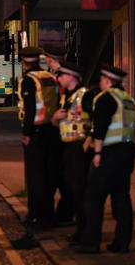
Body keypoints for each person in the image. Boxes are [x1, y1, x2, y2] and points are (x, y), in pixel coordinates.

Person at [76, 64, 135, 254]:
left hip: (109, 153)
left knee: (94, 199)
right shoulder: (127, 99)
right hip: (126, 151)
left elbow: (101, 127)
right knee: (122, 199)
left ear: (108, 81)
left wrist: (97, 154)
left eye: (102, 80)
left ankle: (90, 243)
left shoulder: (106, 98)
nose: (100, 84)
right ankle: (122, 243)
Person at [17, 46, 59, 231]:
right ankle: (48, 216)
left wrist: (26, 133)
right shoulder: (49, 77)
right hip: (52, 130)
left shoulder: (28, 80)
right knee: (48, 176)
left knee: (35, 178)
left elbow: (30, 109)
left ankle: (36, 216)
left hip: (36, 132)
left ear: (24, 62)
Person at [51, 61, 94, 244]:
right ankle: (80, 232)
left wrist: (89, 141)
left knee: (80, 191)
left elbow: (97, 120)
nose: (58, 79)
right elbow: (58, 122)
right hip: (68, 147)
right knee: (72, 190)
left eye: (60, 76)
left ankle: (85, 233)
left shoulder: (85, 95)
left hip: (79, 147)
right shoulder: (67, 97)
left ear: (70, 76)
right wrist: (55, 118)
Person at [42, 45, 72, 226]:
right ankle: (63, 213)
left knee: (55, 176)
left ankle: (58, 215)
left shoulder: (59, 79)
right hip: (63, 133)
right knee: (62, 177)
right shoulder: (63, 76)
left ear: (50, 59)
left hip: (59, 132)